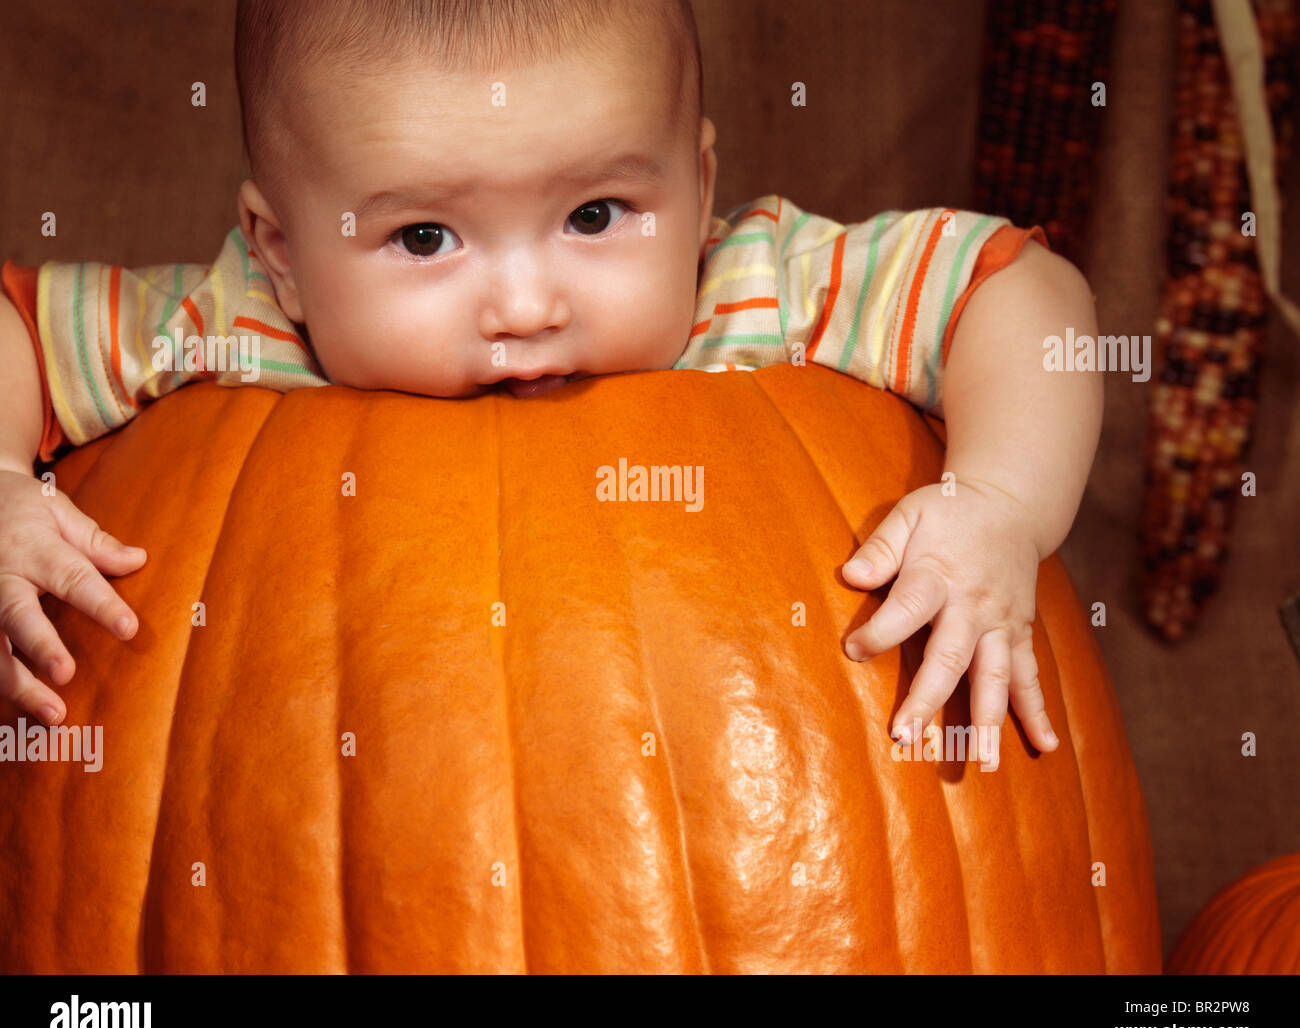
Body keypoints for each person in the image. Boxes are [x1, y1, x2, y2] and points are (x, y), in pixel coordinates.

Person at [0, 0, 1102, 771]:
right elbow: (17, 326)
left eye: (594, 216)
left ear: (698, 182)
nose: (525, 305)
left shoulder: (756, 288)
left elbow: (1016, 291)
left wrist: (998, 502)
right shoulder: (231, 327)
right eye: (424, 236)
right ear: (281, 249)